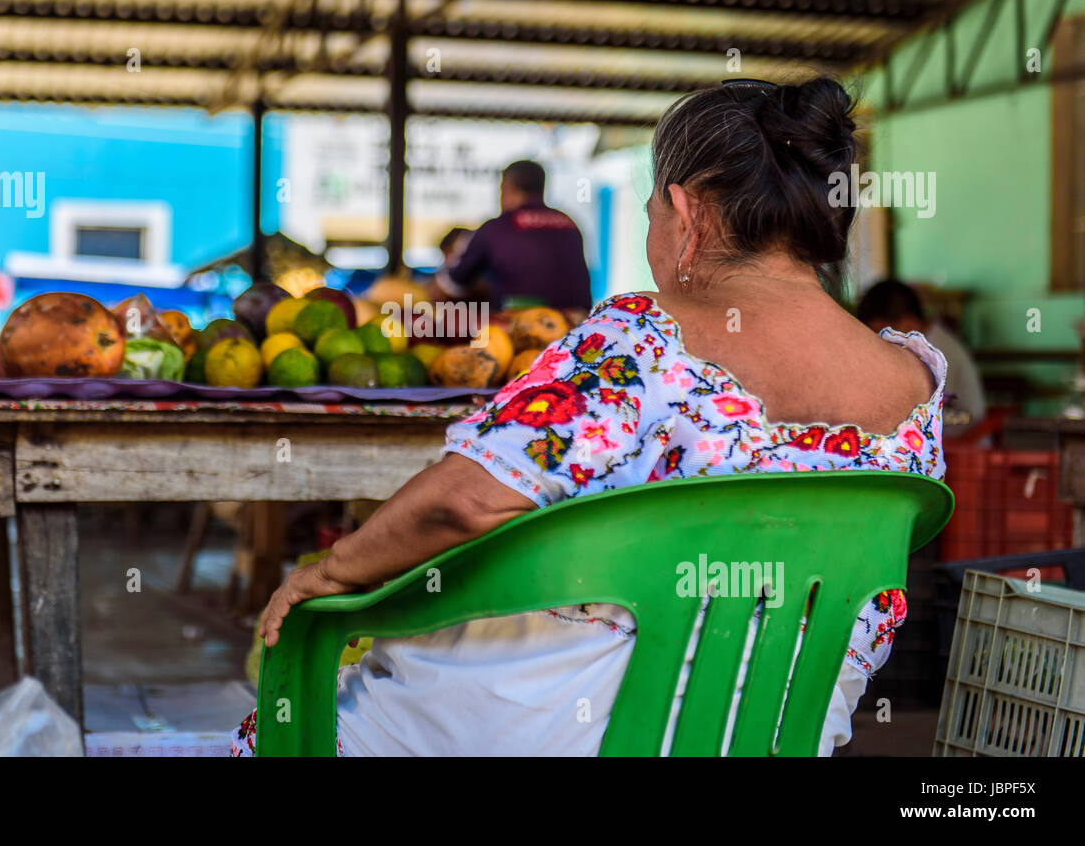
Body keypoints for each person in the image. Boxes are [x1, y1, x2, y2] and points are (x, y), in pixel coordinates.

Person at [230, 76, 947, 757]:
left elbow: (464, 505)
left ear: (688, 213)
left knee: (287, 718)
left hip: (570, 730)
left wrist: (329, 572)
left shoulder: (641, 338)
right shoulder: (917, 382)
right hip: (776, 734)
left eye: (651, 215)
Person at [434, 160, 592, 312]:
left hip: (520, 327)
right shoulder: (569, 223)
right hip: (577, 327)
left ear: (508, 188)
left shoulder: (496, 228)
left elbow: (453, 283)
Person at [856, 279, 986, 437]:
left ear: (909, 322)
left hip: (962, 440)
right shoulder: (926, 345)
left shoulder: (938, 351)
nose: (880, 342)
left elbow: (948, 415)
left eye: (883, 333)